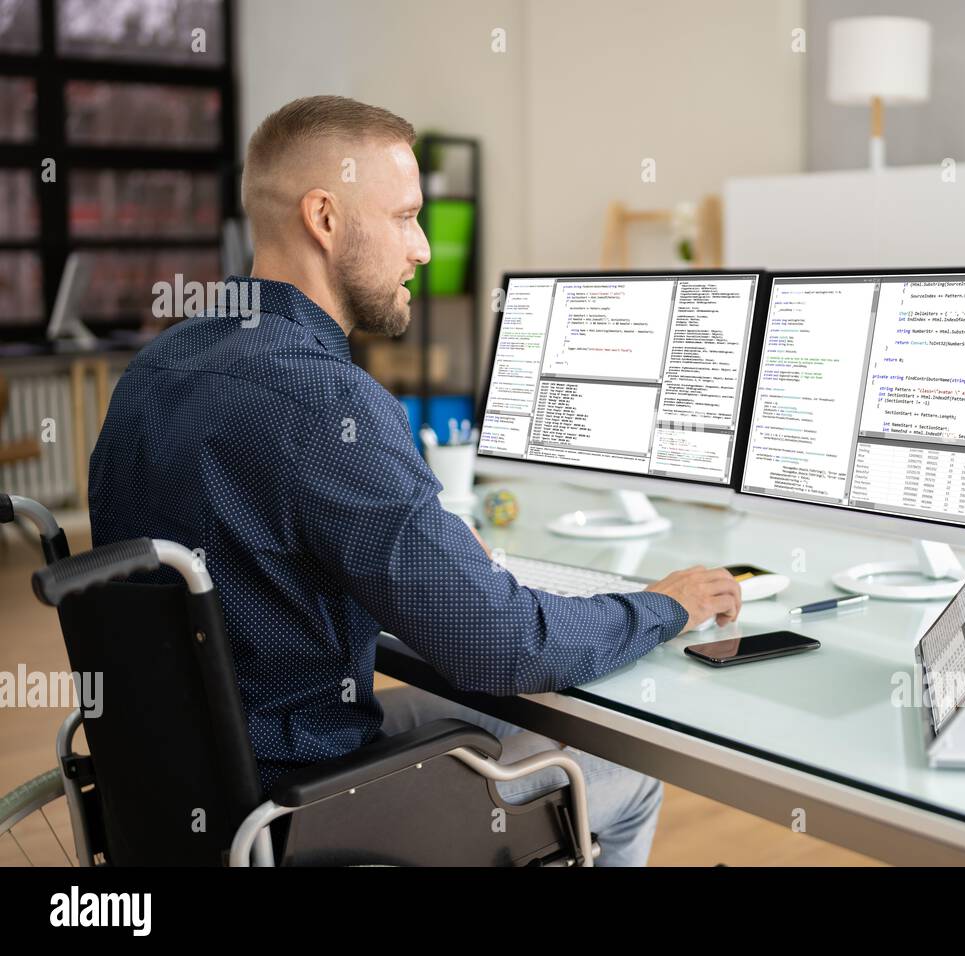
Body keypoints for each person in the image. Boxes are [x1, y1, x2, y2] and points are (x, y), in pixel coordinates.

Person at [88, 95, 741, 866]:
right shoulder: (326, 403)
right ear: (325, 219)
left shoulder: (154, 369)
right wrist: (662, 604)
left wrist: (434, 557)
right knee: (629, 773)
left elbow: (242, 552)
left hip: (178, 795)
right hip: (301, 807)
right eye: (404, 217)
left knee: (458, 709)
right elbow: (501, 646)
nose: (425, 249)